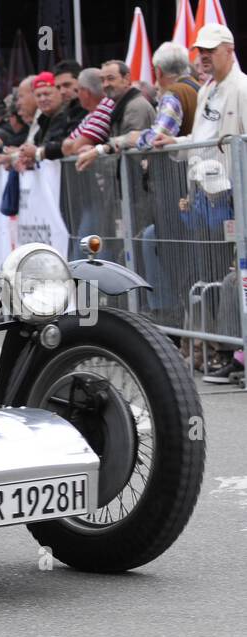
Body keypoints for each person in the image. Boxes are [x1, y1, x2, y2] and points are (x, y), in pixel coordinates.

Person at [154, 23, 247, 382]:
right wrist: (175, 145)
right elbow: (201, 138)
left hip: (232, 199)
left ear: (229, 50)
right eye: (200, 51)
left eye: (210, 50)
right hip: (203, 200)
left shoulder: (240, 87)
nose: (204, 56)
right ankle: (218, 350)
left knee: (231, 276)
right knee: (206, 276)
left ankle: (230, 353)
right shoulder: (208, 88)